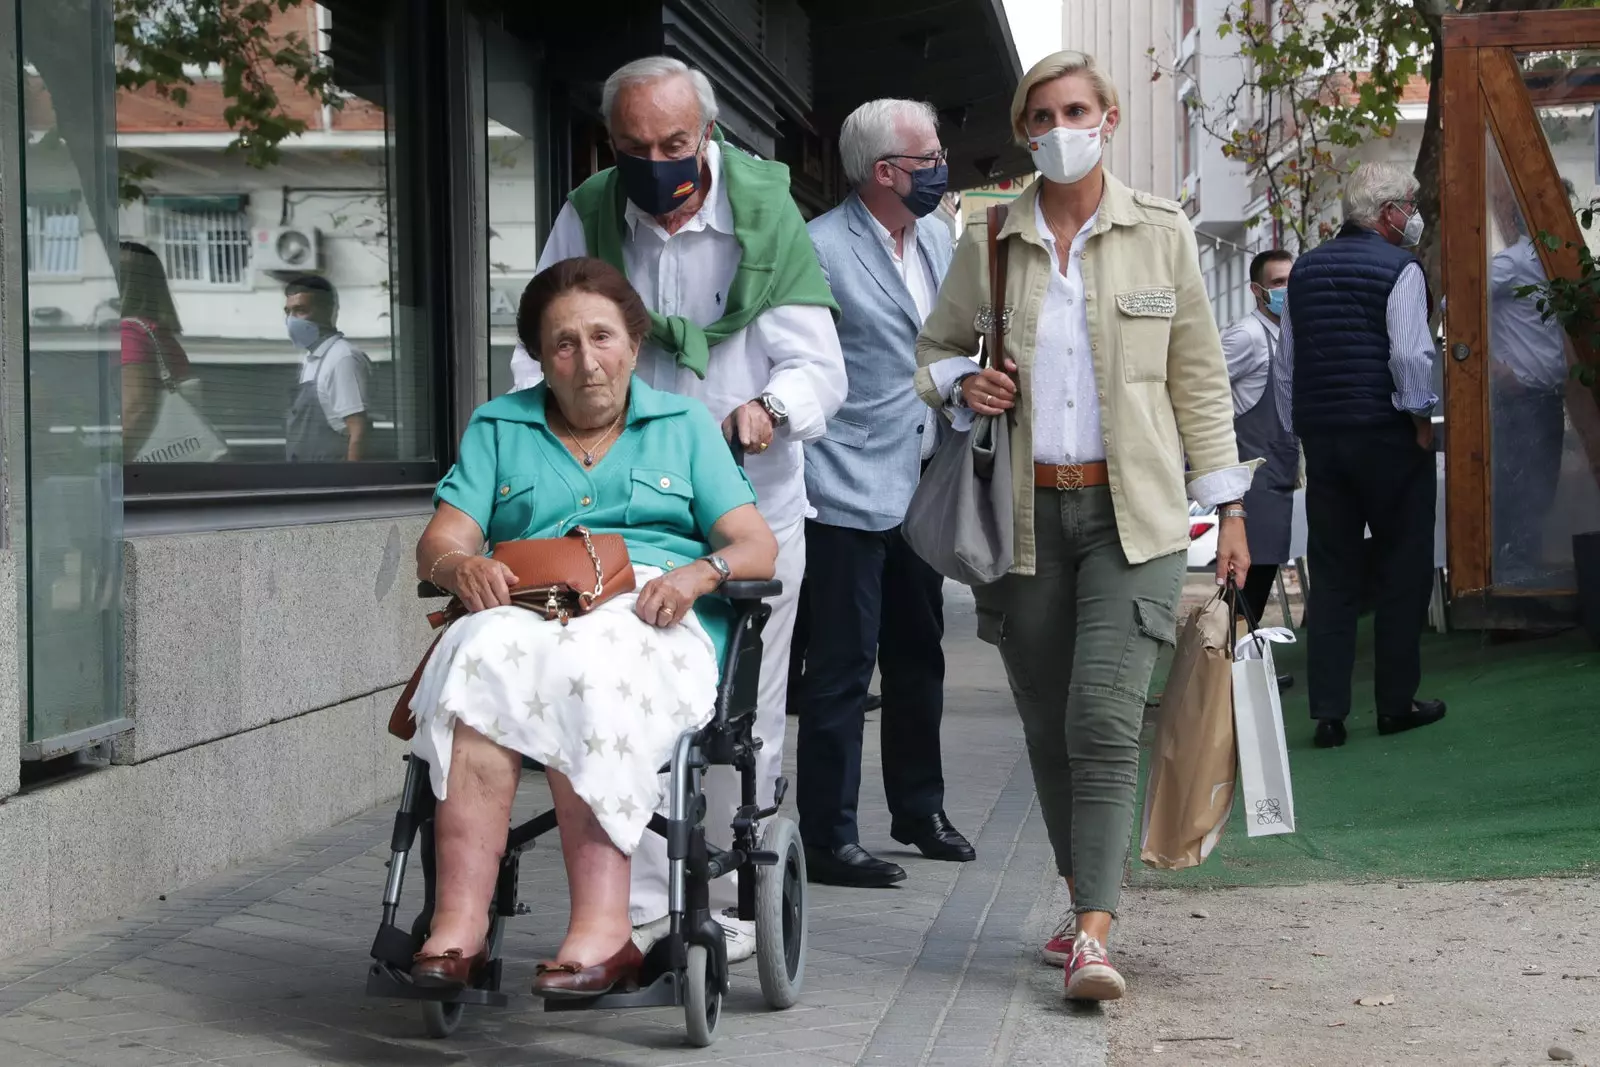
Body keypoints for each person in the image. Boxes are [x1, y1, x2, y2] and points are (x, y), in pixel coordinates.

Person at [914, 51, 1253, 1002]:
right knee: (1051, 725)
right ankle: (1079, 904)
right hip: (1019, 519)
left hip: (1133, 515)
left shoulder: (1162, 233)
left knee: (1104, 718)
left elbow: (1198, 375)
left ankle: (1097, 934)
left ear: (1107, 119)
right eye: (1042, 115)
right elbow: (931, 355)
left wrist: (1229, 506)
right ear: (1026, 132)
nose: (1060, 127)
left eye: (1077, 110)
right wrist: (961, 382)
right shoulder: (989, 236)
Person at [508, 56, 845, 961]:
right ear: (612, 146)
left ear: (707, 131)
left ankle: (735, 896)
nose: (659, 164)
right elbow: (537, 349)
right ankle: (646, 901)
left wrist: (769, 410)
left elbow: (821, 369)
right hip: (622, 513)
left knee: (743, 716)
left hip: (747, 509)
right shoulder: (590, 214)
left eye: (675, 143)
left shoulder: (767, 214)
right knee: (630, 701)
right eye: (636, 148)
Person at [407, 257, 778, 999]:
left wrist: (697, 574)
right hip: (529, 601)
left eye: (602, 337)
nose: (587, 360)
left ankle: (606, 928)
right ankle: (458, 926)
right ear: (542, 358)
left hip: (649, 609)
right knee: (475, 657)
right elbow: (441, 539)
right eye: (564, 344)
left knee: (597, 661)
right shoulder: (498, 425)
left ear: (635, 346)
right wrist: (459, 570)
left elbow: (754, 544)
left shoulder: (684, 427)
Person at [798, 98, 971, 888]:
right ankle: (829, 834)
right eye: (930, 157)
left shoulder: (936, 235)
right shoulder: (821, 249)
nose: (943, 167)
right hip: (842, 485)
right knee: (839, 669)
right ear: (885, 172)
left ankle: (919, 808)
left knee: (918, 657)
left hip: (922, 479)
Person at [1273, 162, 1446, 750]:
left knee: (1334, 573)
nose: (1414, 216)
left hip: (1324, 440)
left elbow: (1287, 363)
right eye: (1409, 205)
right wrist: (1421, 420)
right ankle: (1395, 704)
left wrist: (1298, 429)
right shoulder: (1401, 269)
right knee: (1402, 569)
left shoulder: (1303, 271)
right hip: (1388, 435)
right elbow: (1411, 356)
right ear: (1389, 212)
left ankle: (1328, 713)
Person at [1221, 249, 1300, 659]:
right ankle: (1226, 670)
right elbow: (1205, 390)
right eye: (1278, 283)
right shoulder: (1245, 336)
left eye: (1292, 279)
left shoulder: (1288, 333)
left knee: (1261, 574)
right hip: (1252, 474)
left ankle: (1236, 667)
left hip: (1280, 470)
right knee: (1247, 578)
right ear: (1256, 290)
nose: (1288, 289)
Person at [1489, 206, 1568, 586]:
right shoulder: (1512, 263)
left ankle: (1527, 568)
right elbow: (1459, 305)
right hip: (1521, 398)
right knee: (1521, 486)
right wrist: (1493, 367)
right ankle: (1514, 576)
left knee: (1541, 487)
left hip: (1549, 395)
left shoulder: (1558, 263)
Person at [284, 275, 371, 462]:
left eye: (300, 310)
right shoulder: (311, 358)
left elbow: (358, 433)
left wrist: (351, 487)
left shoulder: (342, 357)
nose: (291, 320)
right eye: (288, 312)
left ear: (328, 311)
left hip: (331, 481)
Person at [119, 241, 194, 456]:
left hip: (144, 462)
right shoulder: (157, 333)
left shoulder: (130, 334)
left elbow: (136, 406)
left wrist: (114, 460)